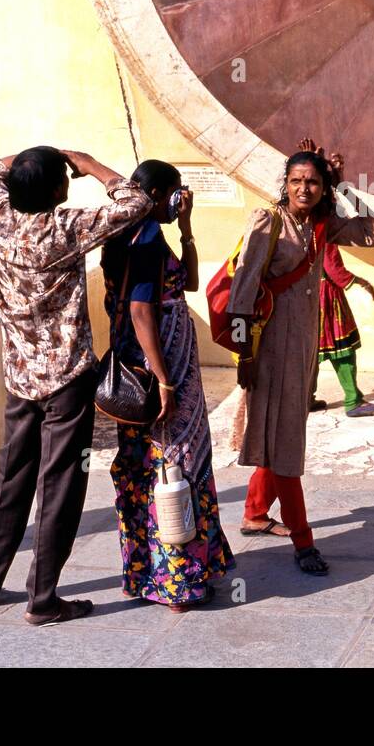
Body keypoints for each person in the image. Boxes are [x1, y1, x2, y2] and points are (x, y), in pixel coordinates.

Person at [0, 147, 152, 625]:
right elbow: (136, 202)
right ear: (54, 191)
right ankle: (42, 598)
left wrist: (32, 159)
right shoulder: (64, 227)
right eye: (63, 179)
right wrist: (87, 163)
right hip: (65, 378)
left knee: (12, 477)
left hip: (20, 373)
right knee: (59, 485)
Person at [228, 138, 374, 575]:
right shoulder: (268, 222)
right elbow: (242, 292)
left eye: (314, 182)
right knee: (286, 445)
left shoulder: (324, 226)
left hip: (302, 350)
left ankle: (255, 513)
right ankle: (303, 543)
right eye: (297, 181)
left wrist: (343, 188)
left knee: (280, 433)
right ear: (285, 183)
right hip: (269, 350)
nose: (305, 188)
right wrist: (244, 353)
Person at [99, 161, 234, 612]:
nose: (180, 200)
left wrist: (188, 227)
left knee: (143, 468)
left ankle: (142, 572)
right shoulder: (148, 238)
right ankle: (177, 583)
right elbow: (142, 313)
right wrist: (164, 381)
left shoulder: (126, 232)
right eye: (176, 194)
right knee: (178, 465)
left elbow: (189, 283)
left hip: (135, 366)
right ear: (157, 194)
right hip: (161, 365)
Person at [313, 243, 374, 417]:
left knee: (311, 354)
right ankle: (353, 401)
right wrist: (362, 282)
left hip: (306, 298)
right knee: (343, 350)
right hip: (327, 299)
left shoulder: (299, 229)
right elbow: (334, 270)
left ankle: (304, 399)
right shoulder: (324, 235)